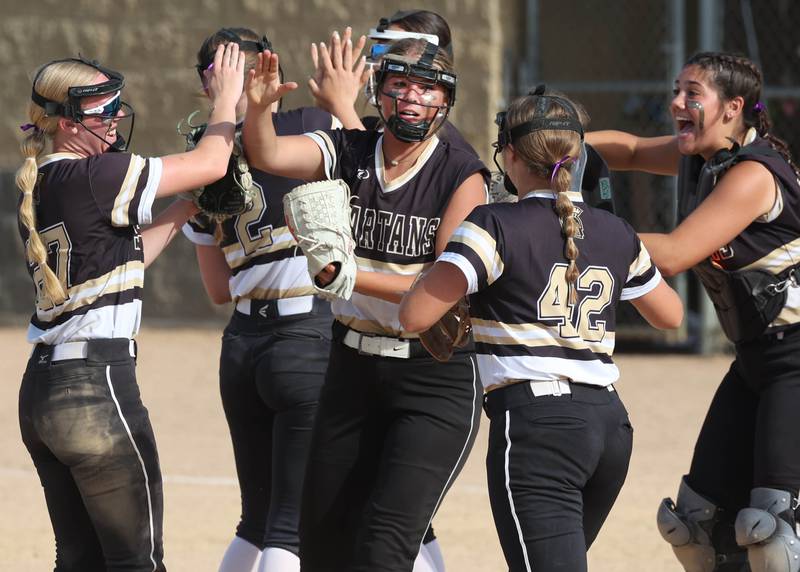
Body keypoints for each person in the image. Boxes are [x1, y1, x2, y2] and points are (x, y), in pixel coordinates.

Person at [399, 91, 683, 572]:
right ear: (578, 155)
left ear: (510, 157)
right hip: (609, 425)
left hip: (536, 427)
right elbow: (671, 315)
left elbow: (414, 317)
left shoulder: (492, 223)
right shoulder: (615, 230)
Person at [243, 39, 489, 571]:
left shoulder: (461, 172)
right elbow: (267, 155)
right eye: (400, 84)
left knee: (383, 548)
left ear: (447, 100)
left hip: (431, 375)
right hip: (351, 365)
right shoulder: (351, 146)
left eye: (428, 87)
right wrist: (260, 108)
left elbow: (445, 286)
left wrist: (350, 275)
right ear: (379, 91)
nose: (413, 98)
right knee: (322, 542)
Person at [16, 44, 244, 571]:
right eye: (104, 109)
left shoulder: (46, 180)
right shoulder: (97, 177)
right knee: (138, 563)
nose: (118, 117)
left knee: (79, 561)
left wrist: (191, 202)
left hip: (44, 392)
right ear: (68, 123)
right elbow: (212, 160)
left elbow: (130, 256)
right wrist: (227, 101)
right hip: (95, 387)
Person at [586, 51, 800, 572]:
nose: (676, 103)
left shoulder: (753, 175)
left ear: (732, 108)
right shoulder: (704, 157)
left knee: (773, 535)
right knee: (696, 525)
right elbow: (632, 149)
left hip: (795, 361)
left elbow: (679, 252)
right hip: (755, 360)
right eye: (676, 90)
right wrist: (557, 138)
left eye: (692, 94)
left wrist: (572, 232)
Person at [181, 27, 363, 572]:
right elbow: (377, 181)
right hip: (305, 333)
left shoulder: (202, 157)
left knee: (256, 522)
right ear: (269, 70)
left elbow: (217, 289)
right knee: (291, 526)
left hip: (241, 344)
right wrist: (344, 105)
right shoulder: (308, 126)